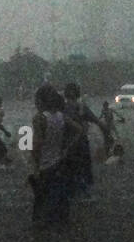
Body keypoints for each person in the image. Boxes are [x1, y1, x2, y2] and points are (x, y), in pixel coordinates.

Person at [29, 84, 80, 227]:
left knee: (41, 198)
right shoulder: (61, 116)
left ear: (40, 101)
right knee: (59, 195)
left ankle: (43, 226)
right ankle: (60, 224)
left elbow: (36, 145)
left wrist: (35, 167)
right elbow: (79, 130)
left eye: (36, 99)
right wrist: (66, 150)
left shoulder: (39, 118)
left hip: (45, 165)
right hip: (59, 162)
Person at [63, 83, 97, 195]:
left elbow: (96, 121)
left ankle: (77, 192)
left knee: (73, 170)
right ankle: (82, 192)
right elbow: (97, 121)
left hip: (72, 144)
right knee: (80, 170)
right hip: (78, 144)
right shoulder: (79, 107)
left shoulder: (65, 108)